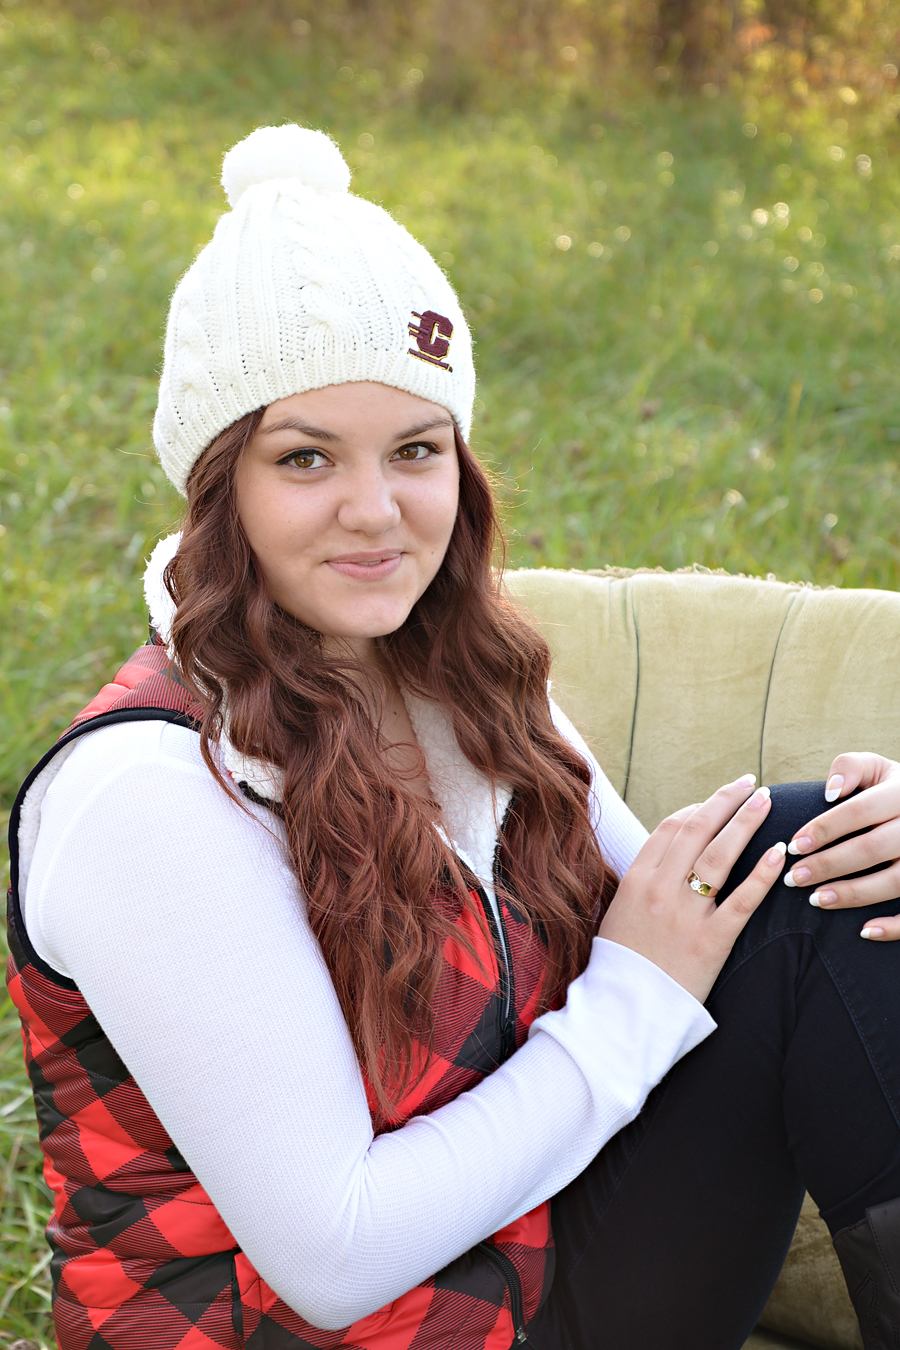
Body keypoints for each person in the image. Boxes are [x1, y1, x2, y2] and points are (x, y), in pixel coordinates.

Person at [7, 125, 900, 1350]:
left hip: (525, 1274)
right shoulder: (150, 791)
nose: (375, 510)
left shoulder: (459, 677)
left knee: (810, 868)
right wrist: (637, 994)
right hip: (312, 1330)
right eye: (306, 457)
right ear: (221, 488)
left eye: (416, 450)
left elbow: (679, 921)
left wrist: (859, 844)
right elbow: (336, 1255)